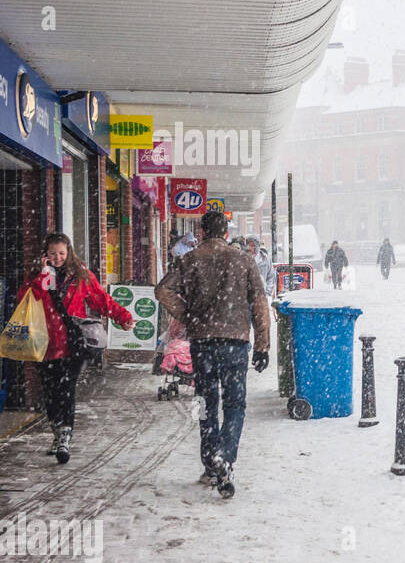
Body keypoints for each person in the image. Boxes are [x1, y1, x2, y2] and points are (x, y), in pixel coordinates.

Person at [156, 210, 272, 499]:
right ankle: (226, 456)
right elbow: (260, 304)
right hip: (235, 342)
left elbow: (162, 291)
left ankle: (211, 461)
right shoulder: (243, 260)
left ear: (203, 230)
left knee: (207, 401)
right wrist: (262, 346)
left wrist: (189, 315)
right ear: (226, 232)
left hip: (203, 341)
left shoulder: (190, 259)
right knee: (235, 403)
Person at [22, 233, 134, 463]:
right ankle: (57, 430)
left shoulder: (80, 275)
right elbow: (25, 299)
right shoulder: (37, 275)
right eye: (53, 253)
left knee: (66, 389)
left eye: (62, 253)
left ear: (69, 252)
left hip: (72, 342)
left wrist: (123, 317)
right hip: (43, 343)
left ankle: (65, 436)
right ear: (45, 254)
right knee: (50, 391)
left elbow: (101, 300)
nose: (58, 258)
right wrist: (42, 279)